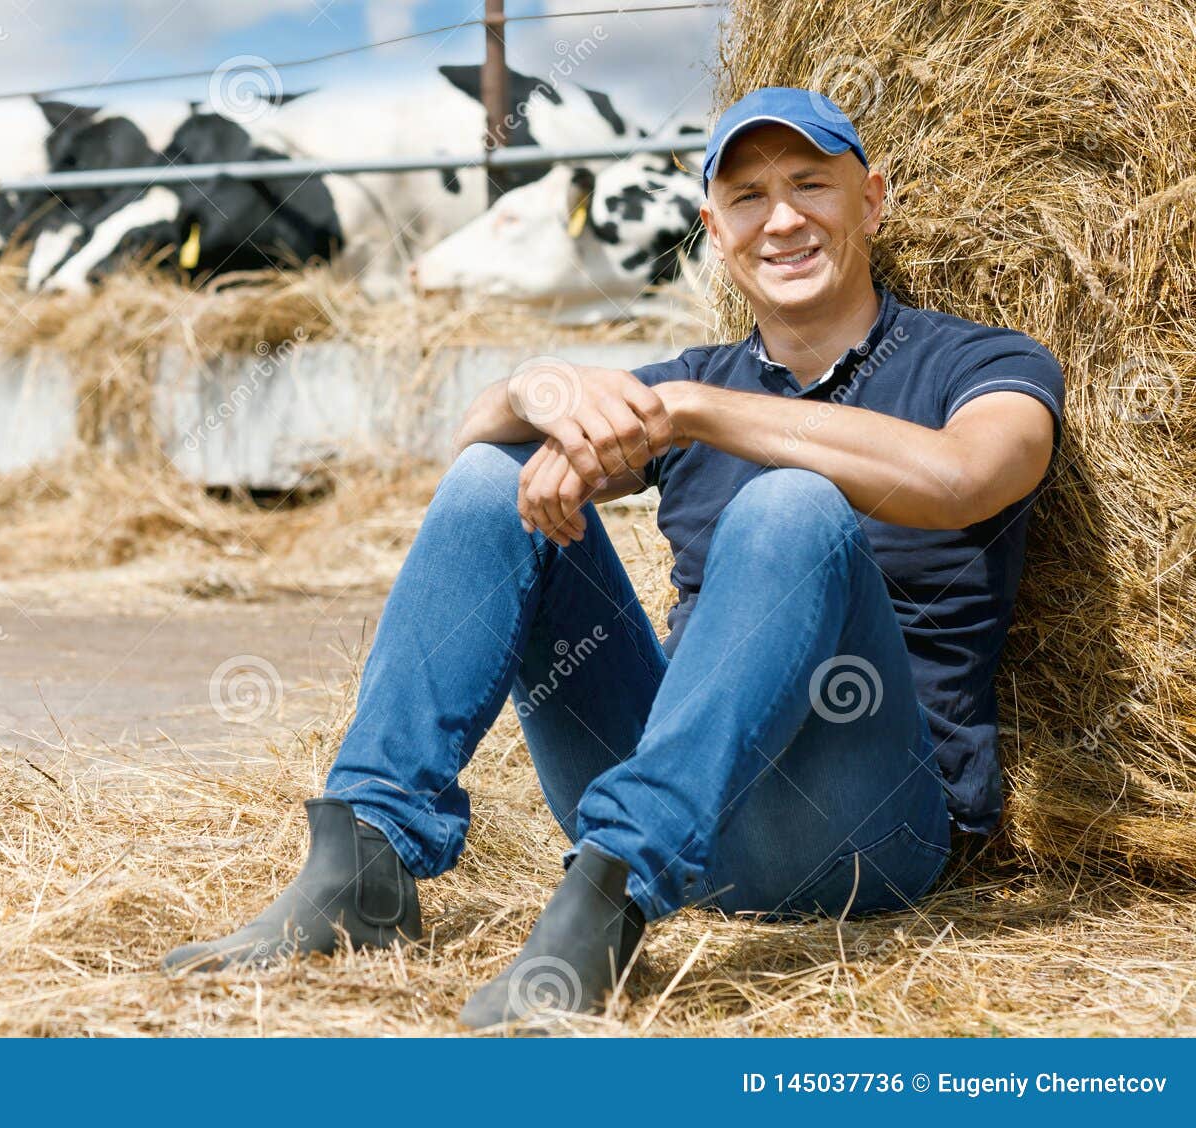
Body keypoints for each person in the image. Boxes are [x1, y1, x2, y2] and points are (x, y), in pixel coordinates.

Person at [161, 87, 1064, 1030]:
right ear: (715, 229)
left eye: (811, 184)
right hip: (680, 791)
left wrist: (696, 414)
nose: (783, 217)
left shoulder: (979, 362)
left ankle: (607, 907)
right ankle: (365, 861)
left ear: (871, 199)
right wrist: (545, 389)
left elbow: (969, 477)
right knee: (491, 475)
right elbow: (479, 434)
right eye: (748, 197)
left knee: (790, 506)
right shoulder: (691, 376)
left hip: (860, 822)